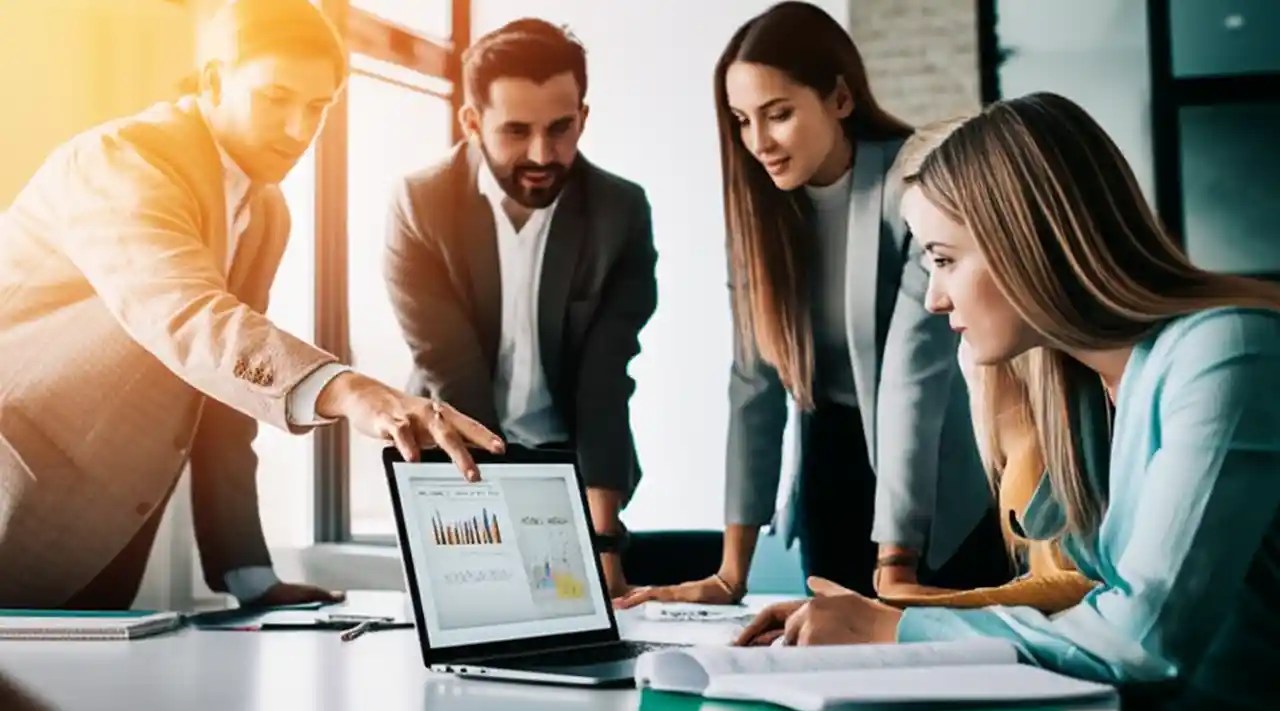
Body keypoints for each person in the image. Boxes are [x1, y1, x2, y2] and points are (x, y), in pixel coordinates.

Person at [738, 92, 1280, 711]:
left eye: (944, 260)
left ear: (1029, 241)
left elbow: (1141, 639)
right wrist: (887, 613)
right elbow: (1089, 602)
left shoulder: (1225, 353)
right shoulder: (1080, 390)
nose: (936, 299)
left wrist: (892, 629)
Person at [0, 0, 501, 610]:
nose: (298, 129)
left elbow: (224, 396)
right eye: (275, 98)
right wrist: (349, 391)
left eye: (318, 107)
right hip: (16, 497)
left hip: (108, 534)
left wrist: (252, 578)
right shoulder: (123, 160)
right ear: (213, 81)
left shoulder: (266, 213)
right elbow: (187, 316)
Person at [616, 1, 1006, 609]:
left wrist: (896, 564)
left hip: (928, 471)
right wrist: (729, 575)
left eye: (778, 115)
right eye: (742, 120)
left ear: (841, 99)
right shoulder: (762, 210)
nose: (759, 142)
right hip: (829, 461)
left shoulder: (914, 185)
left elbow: (913, 377)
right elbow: (753, 385)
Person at [383, 19, 657, 598]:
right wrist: (492, 530)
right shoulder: (420, 205)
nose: (542, 154)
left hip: (571, 466)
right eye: (515, 131)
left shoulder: (620, 212)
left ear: (584, 116)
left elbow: (605, 381)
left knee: (583, 616)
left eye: (560, 128)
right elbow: (448, 368)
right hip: (457, 451)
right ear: (472, 122)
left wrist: (602, 545)